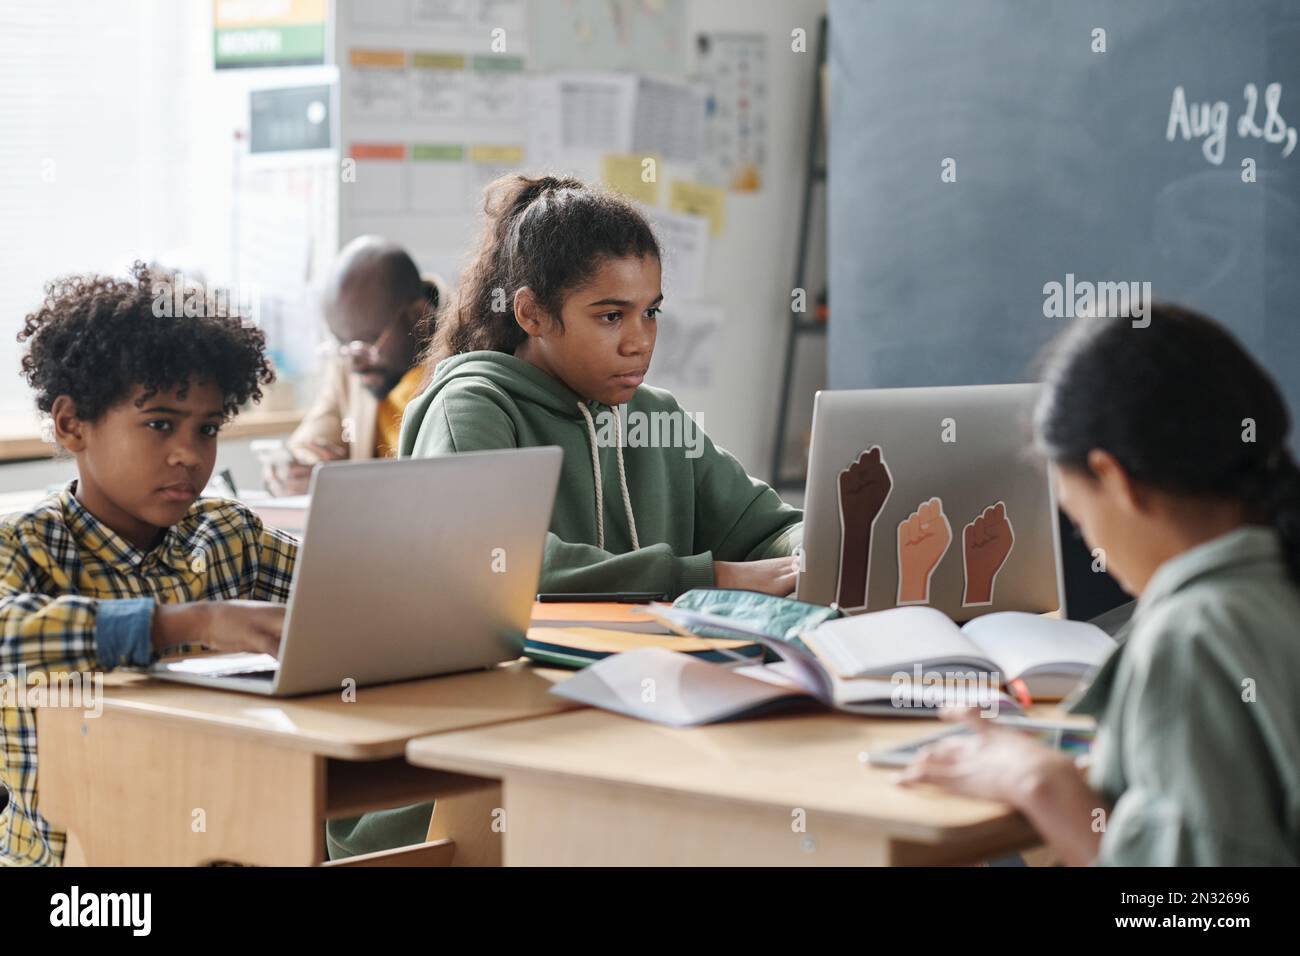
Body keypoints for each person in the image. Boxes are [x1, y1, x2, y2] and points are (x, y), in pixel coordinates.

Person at [899, 303, 1300, 866]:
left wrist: (1042, 784)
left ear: (1117, 481)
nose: (1091, 547)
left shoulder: (1193, 635)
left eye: (1077, 516)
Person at [1, 264, 298, 865]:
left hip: (231, 846)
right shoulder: (28, 546)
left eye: (208, 428)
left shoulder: (230, 537)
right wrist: (186, 624)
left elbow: (350, 595)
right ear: (71, 423)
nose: (189, 453)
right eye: (159, 423)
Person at [266, 236, 445, 494]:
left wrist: (349, 484)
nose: (354, 362)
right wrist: (291, 471)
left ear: (418, 315)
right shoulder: (351, 366)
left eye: (368, 342)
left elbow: (447, 485)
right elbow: (309, 445)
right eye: (342, 342)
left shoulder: (466, 360)